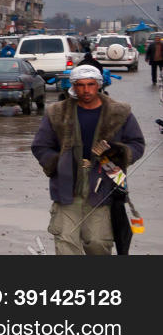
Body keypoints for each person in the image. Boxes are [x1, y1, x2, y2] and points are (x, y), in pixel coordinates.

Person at [30, 64, 145, 255]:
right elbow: (40, 146)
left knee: (98, 243)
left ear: (99, 84)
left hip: (104, 187)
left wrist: (119, 152)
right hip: (67, 188)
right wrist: (59, 163)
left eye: (91, 84)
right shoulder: (56, 113)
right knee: (66, 242)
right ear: (73, 86)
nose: (86, 90)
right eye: (80, 85)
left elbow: (137, 144)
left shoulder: (120, 113)